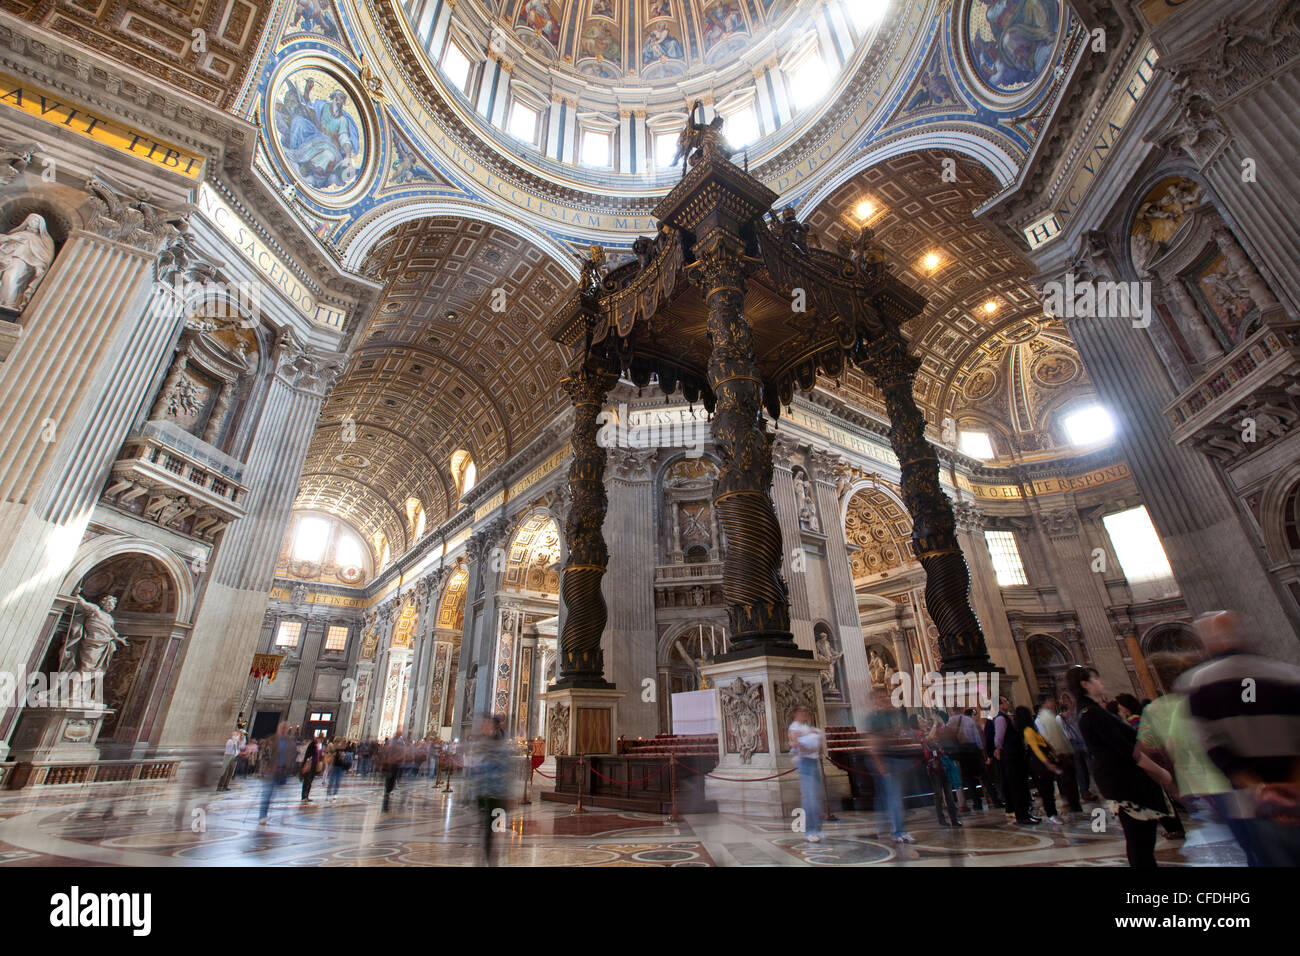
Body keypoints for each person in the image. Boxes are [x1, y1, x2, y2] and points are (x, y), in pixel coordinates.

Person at [1184, 611, 1300, 867]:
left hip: (1253, 803)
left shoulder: (1200, 682)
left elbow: (1213, 746)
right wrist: (1293, 784)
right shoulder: (1288, 674)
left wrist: (1262, 790)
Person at [1069, 666, 1172, 867]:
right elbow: (1126, 749)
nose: (1102, 682)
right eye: (1096, 679)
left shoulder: (1089, 711)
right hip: (1124, 781)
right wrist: (1160, 772)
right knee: (1139, 840)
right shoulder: (1091, 713)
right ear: (1085, 684)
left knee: (1141, 839)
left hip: (1119, 779)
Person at [992, 696, 1037, 825]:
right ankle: (1022, 816)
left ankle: (1026, 814)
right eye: (1005, 701)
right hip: (1010, 756)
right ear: (1000, 705)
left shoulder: (1006, 717)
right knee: (1017, 786)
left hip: (1015, 754)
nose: (1008, 703)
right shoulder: (1000, 718)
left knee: (1021, 786)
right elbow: (998, 737)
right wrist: (998, 748)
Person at [1036, 695, 1082, 813]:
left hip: (1061, 752)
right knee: (1066, 781)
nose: (1053, 703)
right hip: (1059, 753)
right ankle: (1073, 804)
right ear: (1045, 702)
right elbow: (1049, 738)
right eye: (1051, 701)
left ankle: (1073, 804)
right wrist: (1057, 753)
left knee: (1068, 780)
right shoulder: (1043, 718)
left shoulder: (1048, 716)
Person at [1019, 706, 1064, 824]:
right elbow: (1036, 749)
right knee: (1046, 790)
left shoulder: (1032, 729)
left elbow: (1043, 742)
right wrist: (1046, 762)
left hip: (1043, 762)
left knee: (1049, 788)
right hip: (1039, 764)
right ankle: (1051, 814)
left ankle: (1053, 812)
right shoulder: (1028, 731)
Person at [788, 706, 825, 842]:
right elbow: (796, 744)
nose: (805, 714)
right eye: (802, 712)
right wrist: (809, 751)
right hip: (805, 763)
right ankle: (810, 830)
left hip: (813, 762)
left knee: (817, 797)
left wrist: (817, 748)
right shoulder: (794, 727)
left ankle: (818, 828)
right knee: (810, 798)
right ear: (796, 713)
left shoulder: (806, 727)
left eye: (806, 712)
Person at [916, 715, 960, 827]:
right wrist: (935, 724)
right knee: (938, 794)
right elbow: (928, 739)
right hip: (933, 766)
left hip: (943, 764)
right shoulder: (920, 734)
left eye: (923, 718)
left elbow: (943, 734)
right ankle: (942, 819)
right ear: (916, 724)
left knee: (949, 793)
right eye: (921, 719)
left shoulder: (932, 730)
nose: (924, 720)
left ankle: (954, 818)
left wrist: (939, 723)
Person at [258, 722, 298, 825]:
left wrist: (291, 768)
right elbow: (264, 755)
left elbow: (293, 756)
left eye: (285, 728)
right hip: (271, 771)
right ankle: (263, 815)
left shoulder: (291, 742)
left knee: (285, 795)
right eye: (282, 727)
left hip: (283, 771)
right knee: (267, 794)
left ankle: (284, 816)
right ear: (278, 728)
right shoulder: (270, 740)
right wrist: (264, 769)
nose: (284, 729)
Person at [1057, 692, 1095, 800]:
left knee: (1090, 766)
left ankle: (1089, 788)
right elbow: (1064, 733)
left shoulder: (1076, 714)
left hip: (1082, 741)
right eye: (1064, 701)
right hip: (1073, 745)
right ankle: (1084, 791)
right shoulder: (1060, 718)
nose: (1067, 703)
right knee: (1080, 768)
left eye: (1068, 700)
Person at [947, 709, 985, 811]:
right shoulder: (969, 720)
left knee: (968, 778)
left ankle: (977, 803)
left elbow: (947, 736)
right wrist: (980, 749)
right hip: (972, 749)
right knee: (979, 775)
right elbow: (976, 735)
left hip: (961, 751)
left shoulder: (951, 721)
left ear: (952, 710)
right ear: (961, 709)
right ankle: (992, 799)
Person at [300, 735, 324, 803]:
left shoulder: (318, 745)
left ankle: (306, 796)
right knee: (307, 780)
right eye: (320, 739)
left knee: (310, 781)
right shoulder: (312, 745)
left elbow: (318, 754)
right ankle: (303, 796)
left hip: (314, 765)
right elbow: (309, 754)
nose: (321, 741)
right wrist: (308, 763)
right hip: (309, 764)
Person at [325, 736, 349, 801]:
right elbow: (331, 755)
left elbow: (346, 757)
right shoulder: (334, 748)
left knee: (337, 781)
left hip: (341, 766)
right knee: (331, 781)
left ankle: (335, 794)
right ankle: (329, 794)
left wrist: (344, 756)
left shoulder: (345, 749)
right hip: (334, 766)